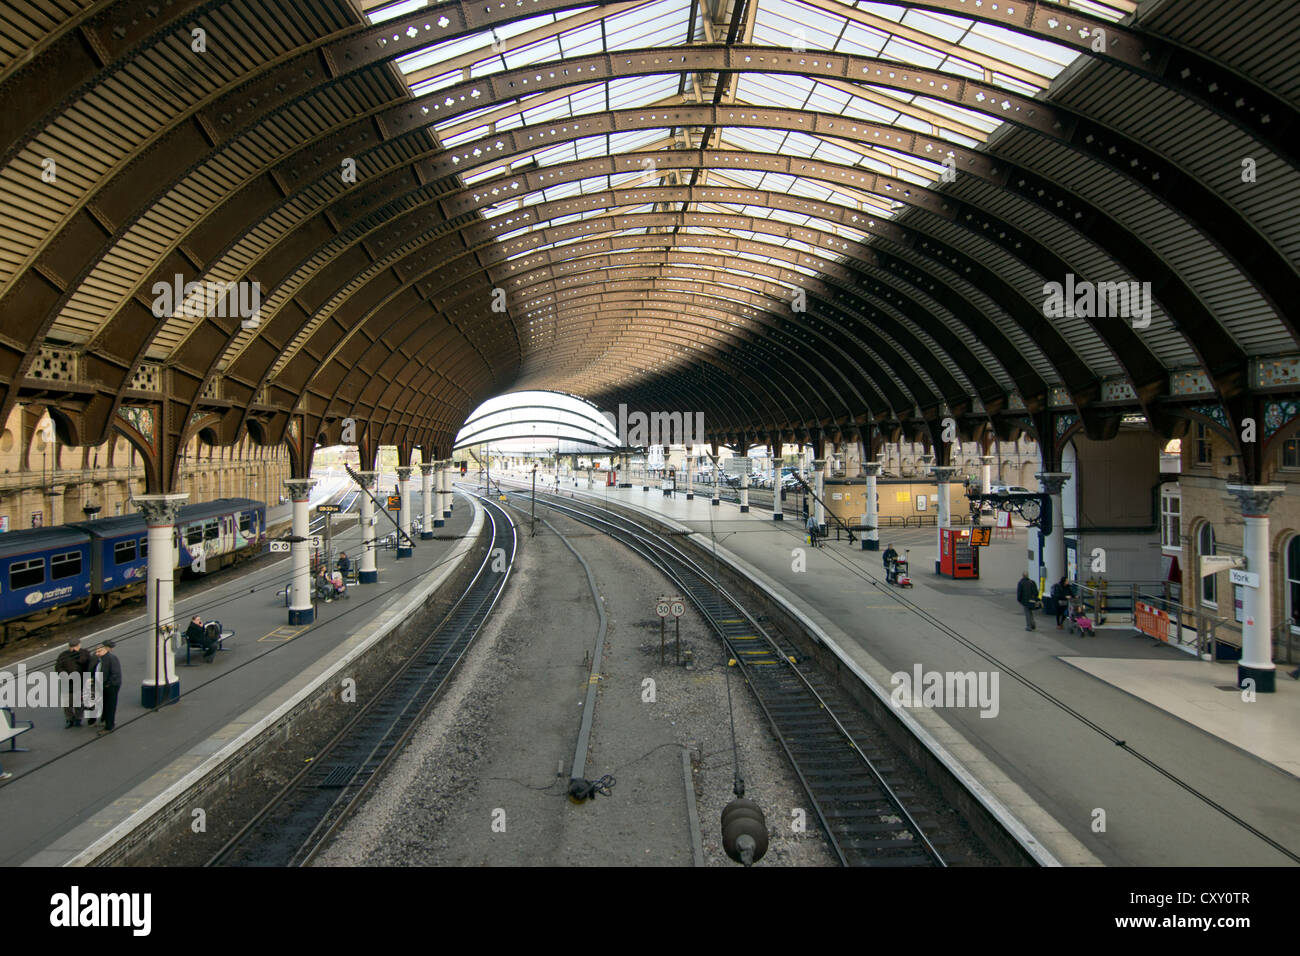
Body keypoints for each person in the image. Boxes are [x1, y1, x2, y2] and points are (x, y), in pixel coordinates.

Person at [56, 638, 90, 727]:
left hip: (80, 682)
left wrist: (77, 655)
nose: (73, 648)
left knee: (79, 702)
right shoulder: (63, 655)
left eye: (75, 646)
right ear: (68, 647)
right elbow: (58, 668)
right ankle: (69, 719)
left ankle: (78, 719)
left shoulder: (84, 653)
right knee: (67, 703)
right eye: (71, 647)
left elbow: (86, 663)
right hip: (67, 683)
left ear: (79, 645)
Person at [91, 641, 122, 735]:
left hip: (110, 687)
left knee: (110, 706)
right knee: (105, 705)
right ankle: (106, 722)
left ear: (105, 650)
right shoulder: (101, 659)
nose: (97, 653)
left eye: (99, 651)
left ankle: (109, 726)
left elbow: (115, 674)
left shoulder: (111, 659)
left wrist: (108, 684)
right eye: (96, 652)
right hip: (103, 686)